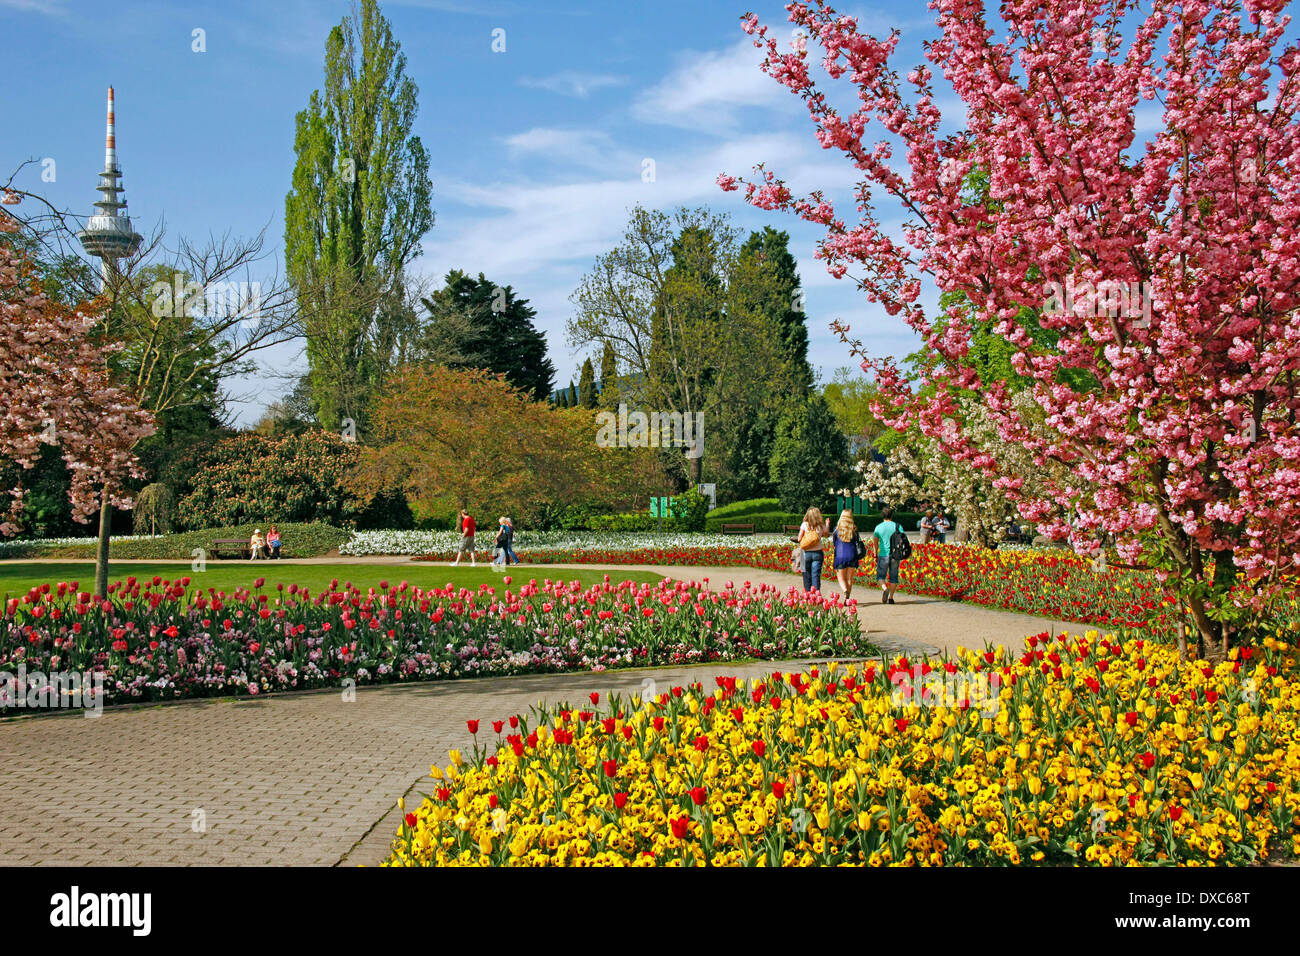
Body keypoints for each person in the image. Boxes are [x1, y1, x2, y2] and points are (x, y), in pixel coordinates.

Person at [831, 510, 866, 600]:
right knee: (849, 579)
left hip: (840, 556)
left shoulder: (836, 530)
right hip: (852, 556)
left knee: (841, 578)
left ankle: (845, 590)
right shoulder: (854, 529)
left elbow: (834, 543)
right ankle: (847, 600)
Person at [872, 507, 902, 604]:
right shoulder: (898, 526)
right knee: (893, 577)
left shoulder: (879, 527)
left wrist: (875, 554)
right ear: (892, 515)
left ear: (882, 515)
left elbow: (875, 543)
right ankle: (891, 598)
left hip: (883, 554)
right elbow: (903, 539)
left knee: (880, 576)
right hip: (895, 554)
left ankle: (885, 588)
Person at [797, 506, 829, 593]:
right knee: (816, 575)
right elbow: (827, 534)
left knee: (806, 575)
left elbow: (799, 539)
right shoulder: (821, 526)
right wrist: (827, 524)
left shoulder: (804, 525)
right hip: (817, 553)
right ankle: (816, 595)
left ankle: (808, 595)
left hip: (805, 553)